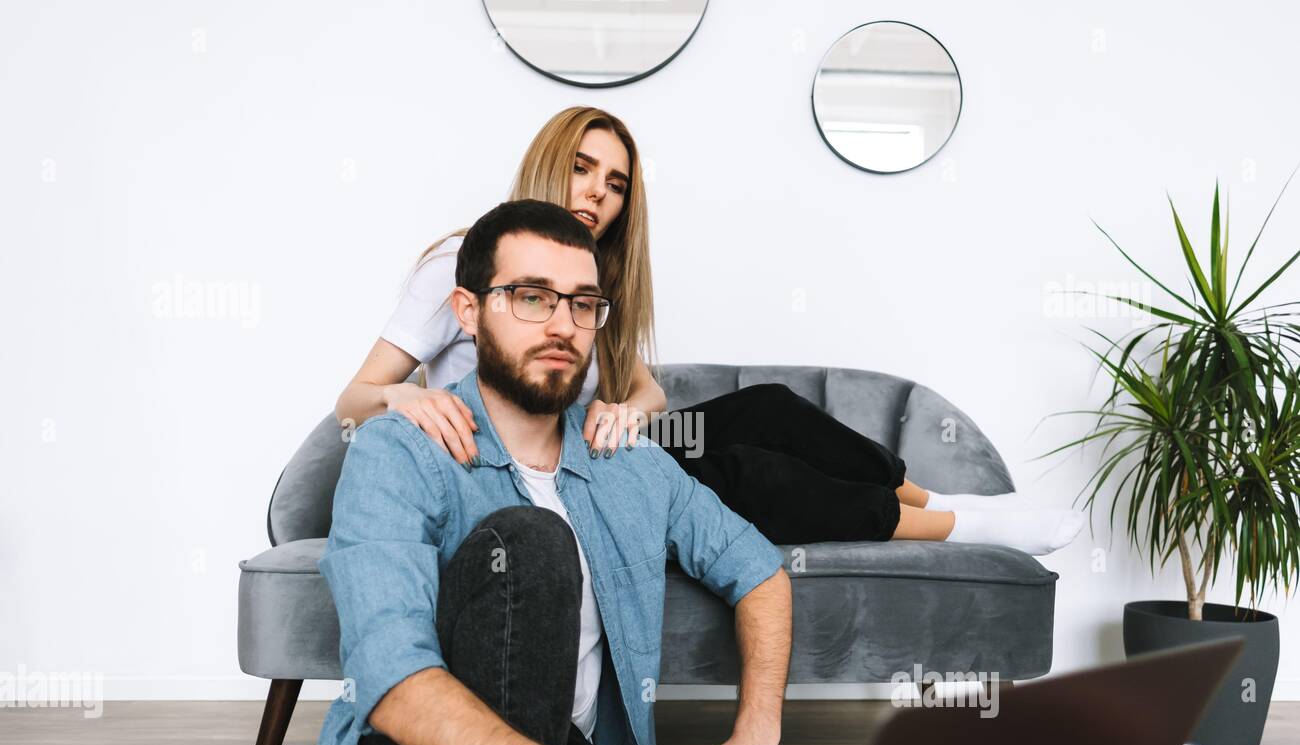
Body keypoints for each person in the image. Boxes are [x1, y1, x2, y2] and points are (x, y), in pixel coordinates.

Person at [334, 105, 1083, 556]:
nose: (597, 192)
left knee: (768, 409)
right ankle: (964, 530)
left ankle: (943, 499)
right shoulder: (461, 263)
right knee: (752, 474)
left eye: (616, 182)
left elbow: (645, 388)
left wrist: (631, 410)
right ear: (547, 167)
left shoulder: (599, 288)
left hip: (602, 450)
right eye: (583, 169)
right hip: (528, 475)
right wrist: (405, 401)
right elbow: (353, 398)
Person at [301, 199, 792, 745]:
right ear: (468, 311)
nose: (563, 324)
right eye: (531, 297)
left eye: (583, 304)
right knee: (531, 542)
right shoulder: (398, 451)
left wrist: (755, 740)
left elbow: (758, 567)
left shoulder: (631, 461)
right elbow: (389, 673)